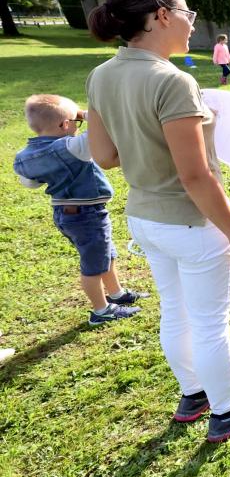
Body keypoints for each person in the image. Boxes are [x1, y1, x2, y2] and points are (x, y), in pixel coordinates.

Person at [86, 0, 230, 442]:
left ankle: (193, 394)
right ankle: (227, 410)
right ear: (161, 15)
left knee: (175, 310)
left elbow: (104, 156)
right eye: (187, 13)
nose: (192, 23)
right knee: (210, 323)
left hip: (145, 219)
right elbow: (195, 176)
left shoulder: (101, 75)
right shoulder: (172, 81)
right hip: (192, 225)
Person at [14, 94, 147, 325]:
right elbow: (103, 127)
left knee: (105, 254)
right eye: (76, 122)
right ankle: (101, 310)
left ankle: (116, 293)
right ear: (65, 124)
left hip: (67, 214)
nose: (79, 125)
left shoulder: (25, 156)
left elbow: (30, 183)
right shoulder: (72, 147)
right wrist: (86, 114)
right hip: (87, 214)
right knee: (93, 265)